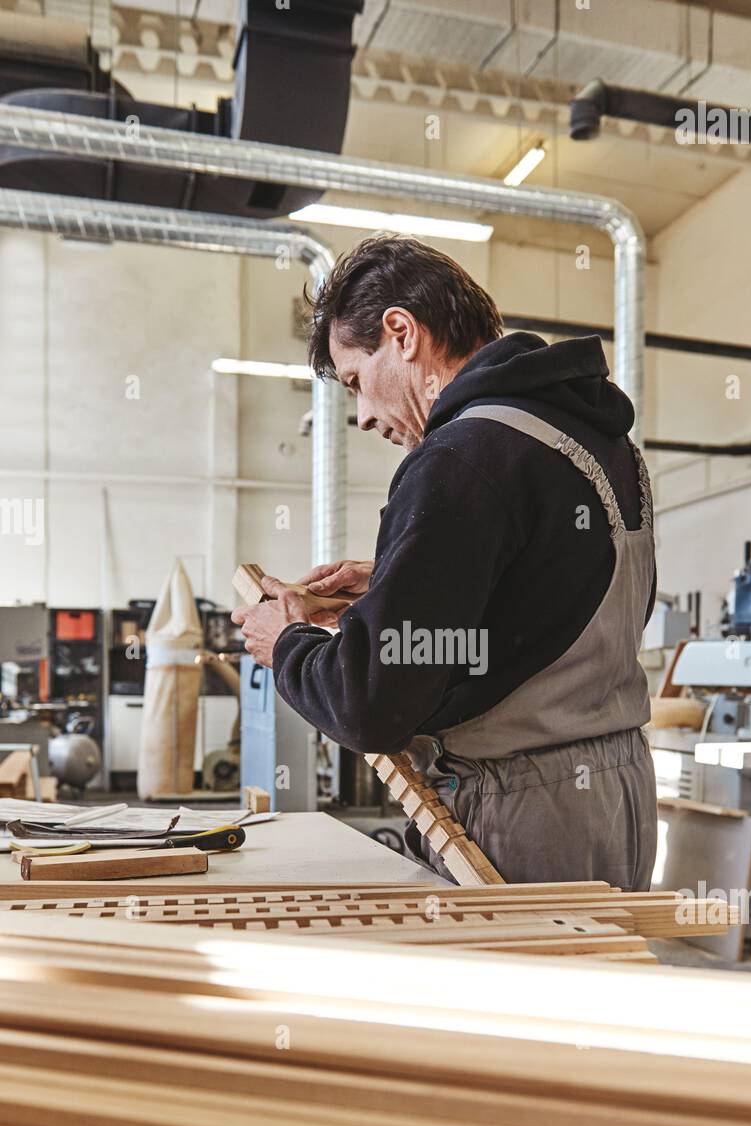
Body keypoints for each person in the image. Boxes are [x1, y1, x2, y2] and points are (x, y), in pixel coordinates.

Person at [232, 234, 657, 887]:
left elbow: (369, 706)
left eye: (356, 383)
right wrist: (398, 581)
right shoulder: (598, 439)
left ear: (401, 332)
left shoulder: (459, 457)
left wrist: (282, 642)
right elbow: (562, 586)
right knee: (596, 979)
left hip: (523, 810)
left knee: (506, 990)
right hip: (620, 792)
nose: (366, 416)